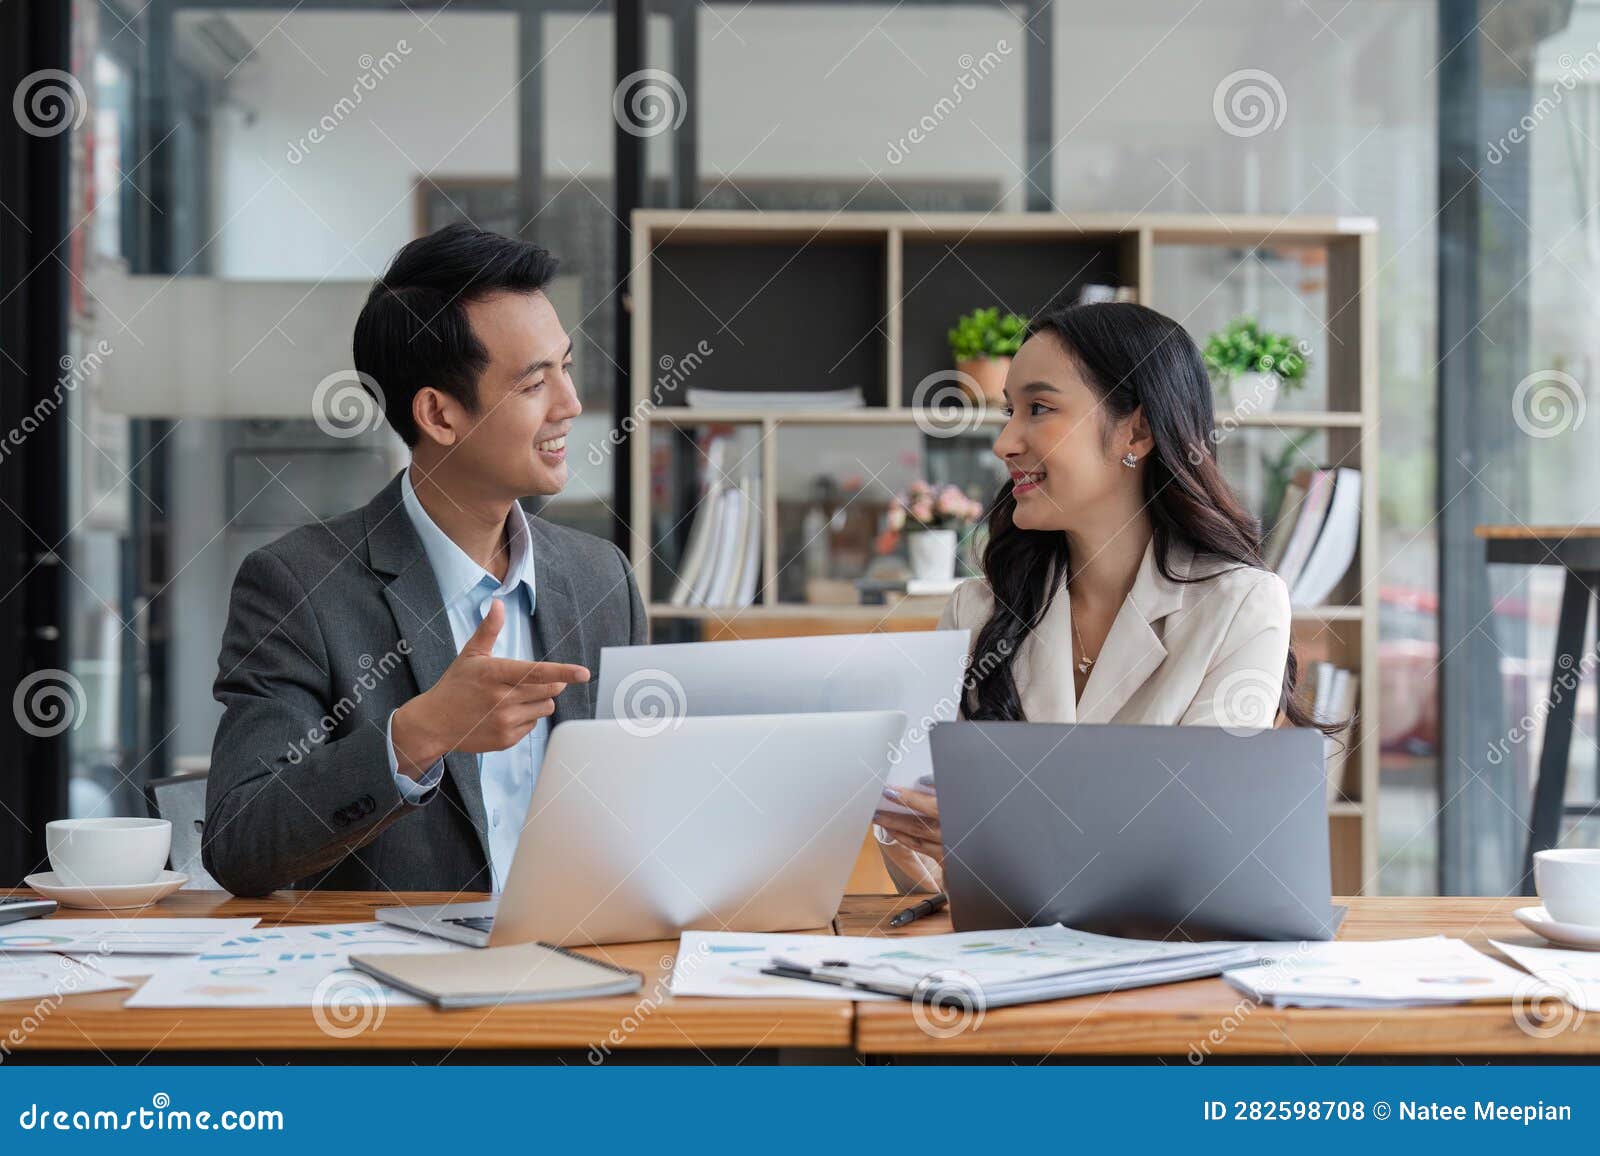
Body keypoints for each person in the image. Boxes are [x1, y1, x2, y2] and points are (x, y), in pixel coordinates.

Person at [204, 224, 645, 897]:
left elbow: (637, 808)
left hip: (582, 949)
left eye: (566, 366)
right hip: (392, 963)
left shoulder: (599, 577)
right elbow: (240, 844)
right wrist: (420, 733)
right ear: (439, 416)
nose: (571, 404)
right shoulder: (300, 586)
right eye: (535, 383)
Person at [873, 301, 1331, 892]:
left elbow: (1202, 839)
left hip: (1161, 945)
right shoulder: (976, 609)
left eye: (1039, 408)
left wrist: (996, 833)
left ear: (1136, 431)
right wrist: (908, 828)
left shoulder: (1241, 606)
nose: (1004, 442)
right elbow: (931, 865)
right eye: (1009, 411)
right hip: (1003, 942)